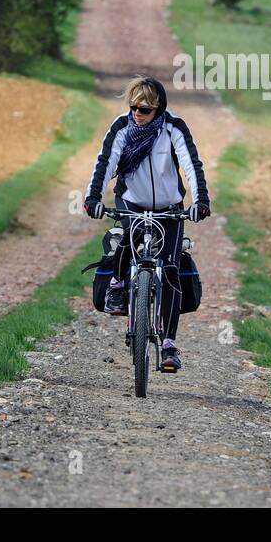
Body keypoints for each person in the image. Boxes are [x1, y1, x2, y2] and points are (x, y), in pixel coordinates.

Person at [84, 76, 210, 373]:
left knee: (169, 269)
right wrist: (92, 196)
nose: (138, 114)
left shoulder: (174, 128)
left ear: (158, 108)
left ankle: (168, 344)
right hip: (132, 201)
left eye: (145, 109)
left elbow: (192, 165)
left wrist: (200, 200)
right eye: (134, 108)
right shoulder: (122, 127)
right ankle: (117, 284)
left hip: (169, 207)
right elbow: (105, 161)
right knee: (125, 241)